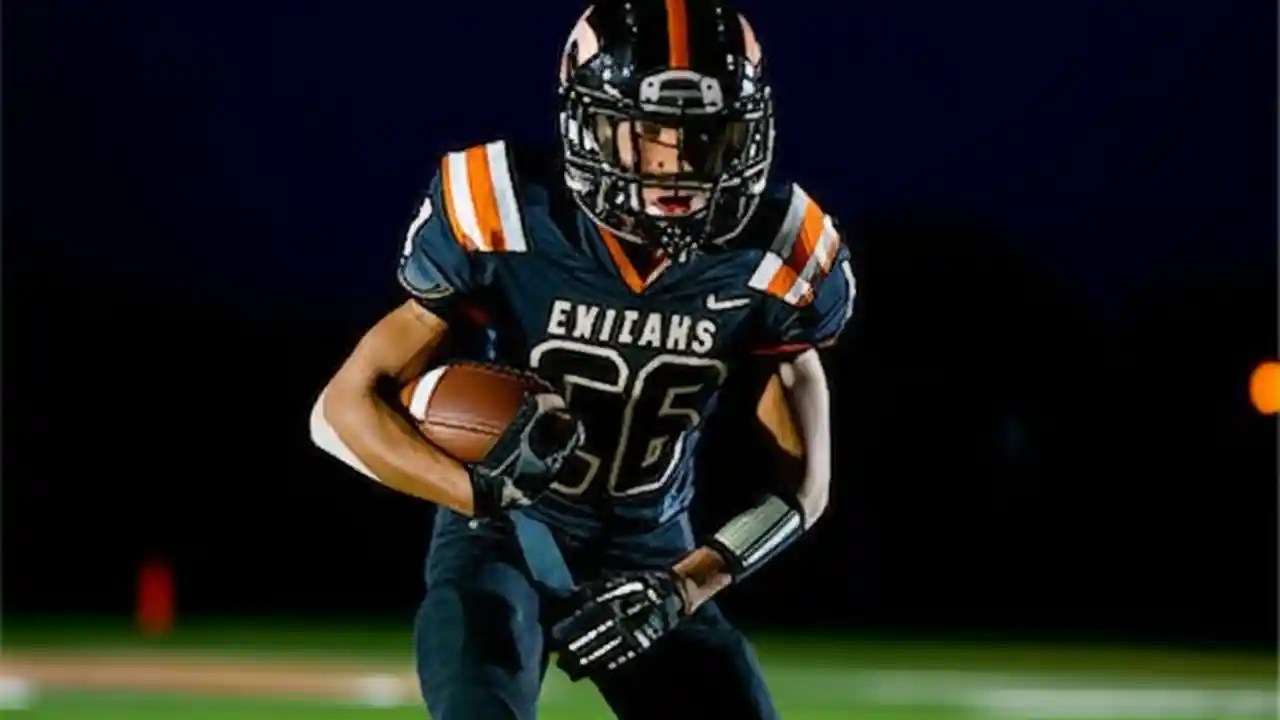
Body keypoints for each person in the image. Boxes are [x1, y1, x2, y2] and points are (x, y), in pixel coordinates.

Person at [310, 0, 856, 717]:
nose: (677, 161)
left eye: (703, 133)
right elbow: (343, 407)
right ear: (589, 124)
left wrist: (683, 588)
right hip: (500, 542)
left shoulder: (780, 252)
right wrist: (475, 492)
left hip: (653, 556)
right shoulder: (504, 212)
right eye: (648, 131)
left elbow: (802, 488)